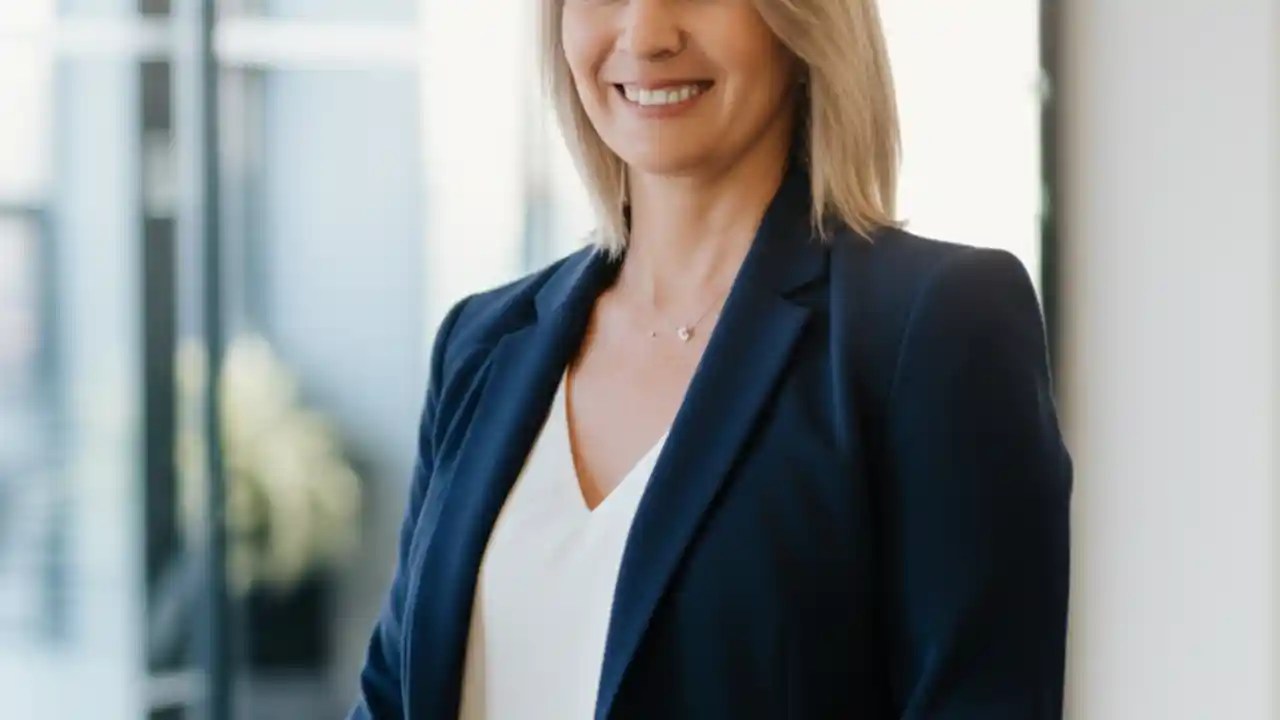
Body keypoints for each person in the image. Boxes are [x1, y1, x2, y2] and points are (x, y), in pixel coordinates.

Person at [351, 0, 1072, 718]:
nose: (646, 34)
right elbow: (391, 700)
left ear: (803, 21)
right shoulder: (481, 344)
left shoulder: (936, 323)